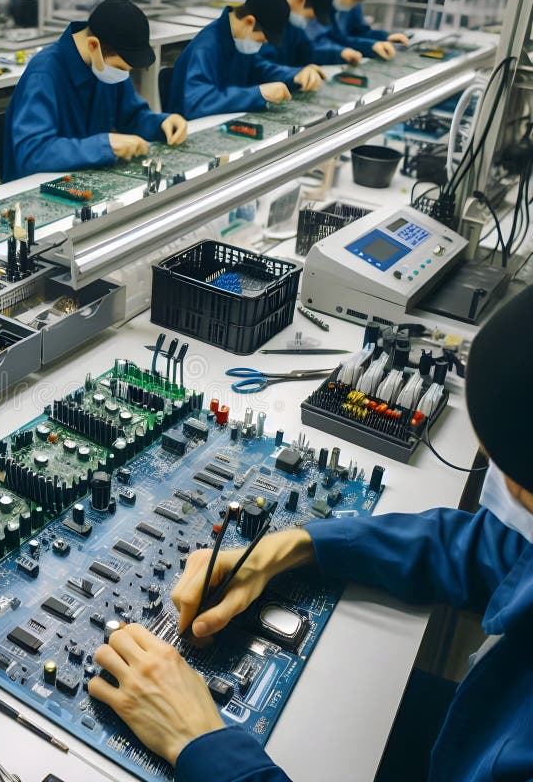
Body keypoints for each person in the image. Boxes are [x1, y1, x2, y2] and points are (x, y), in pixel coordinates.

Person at [89, 284, 533, 782]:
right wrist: (290, 548)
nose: (499, 485)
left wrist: (198, 741)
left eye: (513, 480)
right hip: (483, 712)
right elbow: (500, 553)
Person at [2, 0, 187, 183]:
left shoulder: (104, 66)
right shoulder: (44, 74)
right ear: (93, 45)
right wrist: (106, 145)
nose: (124, 75)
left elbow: (132, 117)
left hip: (86, 177)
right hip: (37, 187)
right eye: (120, 68)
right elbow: (32, 154)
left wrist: (161, 123)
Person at [169, 0, 327, 120]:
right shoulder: (205, 48)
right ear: (249, 22)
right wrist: (258, 94)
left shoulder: (236, 39)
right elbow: (197, 103)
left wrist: (295, 75)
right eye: (262, 40)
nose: (263, 44)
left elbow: (259, 67)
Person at [259, 0, 361, 68]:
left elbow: (308, 52)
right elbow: (262, 68)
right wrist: (296, 74)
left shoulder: (293, 27)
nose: (309, 21)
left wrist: (340, 53)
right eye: (309, 17)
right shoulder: (264, 19)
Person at [330, 0, 410, 58]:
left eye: (360, 0)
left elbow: (359, 31)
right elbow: (334, 39)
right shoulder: (325, 5)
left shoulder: (352, 3)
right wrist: (370, 46)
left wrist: (386, 37)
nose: (355, 4)